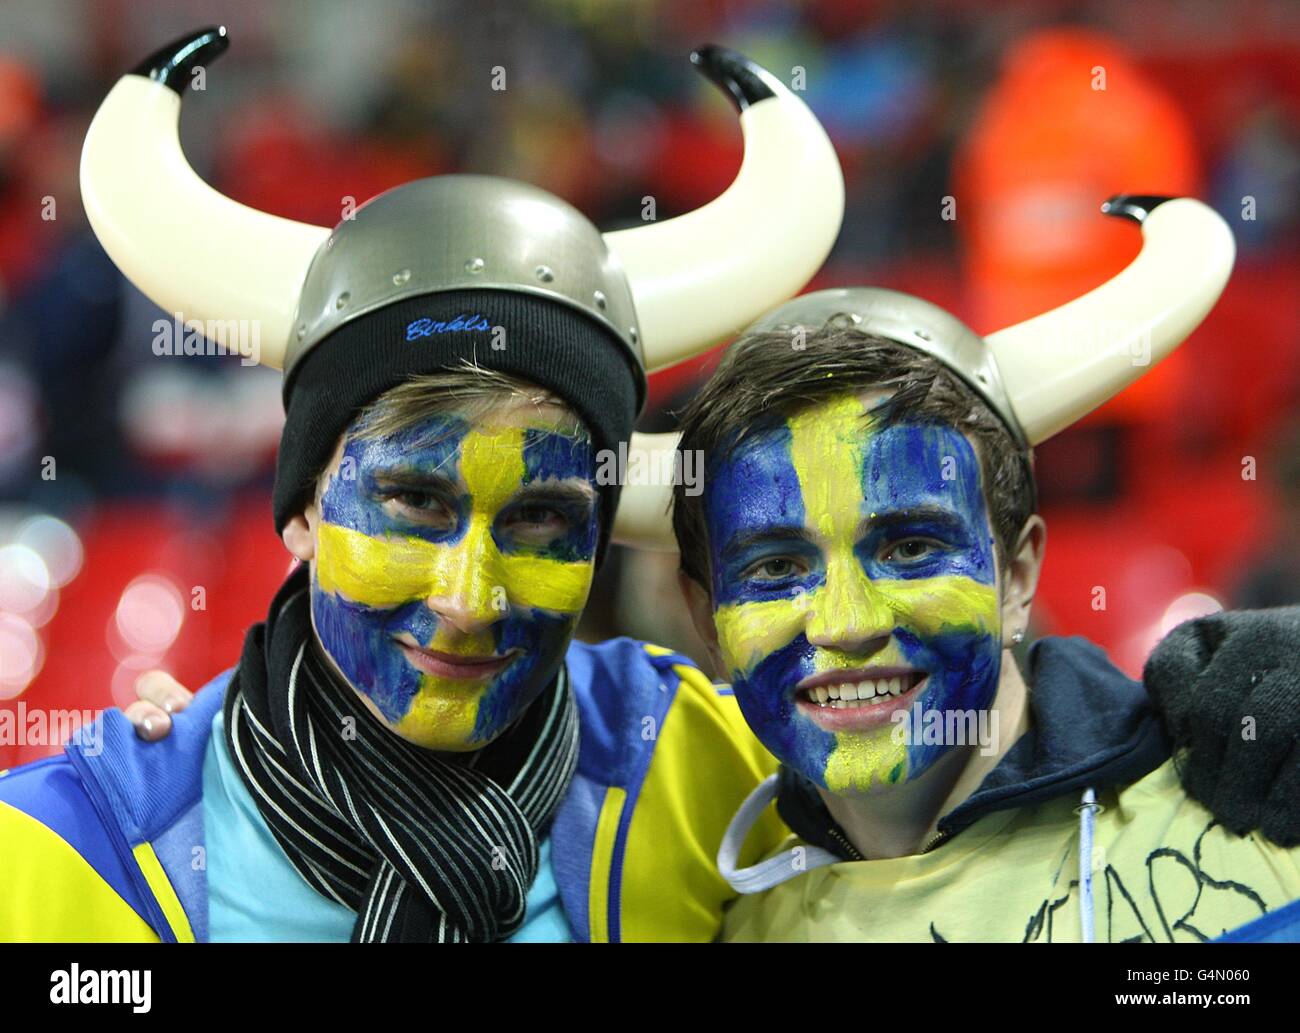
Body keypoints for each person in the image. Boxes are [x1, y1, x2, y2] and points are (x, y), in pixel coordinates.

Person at [0, 26, 844, 942]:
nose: (468, 599)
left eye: (539, 518)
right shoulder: (72, 845)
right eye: (414, 502)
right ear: (303, 511)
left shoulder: (706, 775)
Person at [662, 197, 1300, 942]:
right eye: (776, 566)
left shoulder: (1258, 831)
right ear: (707, 622)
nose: (848, 623)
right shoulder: (724, 927)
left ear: (1018, 575)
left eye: (908, 549)